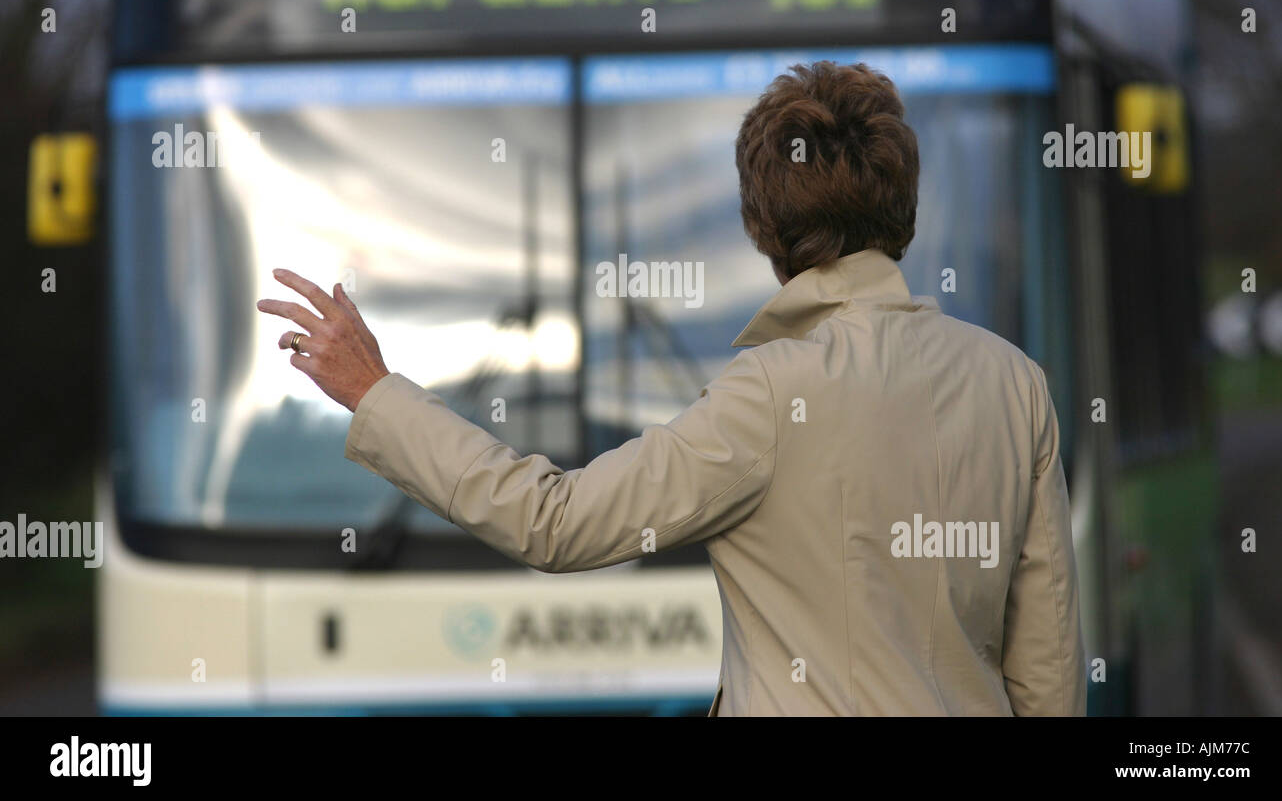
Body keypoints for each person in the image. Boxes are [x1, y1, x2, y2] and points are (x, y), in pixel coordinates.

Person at [257, 61, 1087, 716]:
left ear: (764, 223)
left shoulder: (771, 391)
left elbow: (555, 524)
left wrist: (376, 392)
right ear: (902, 203)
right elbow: (1047, 670)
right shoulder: (1015, 384)